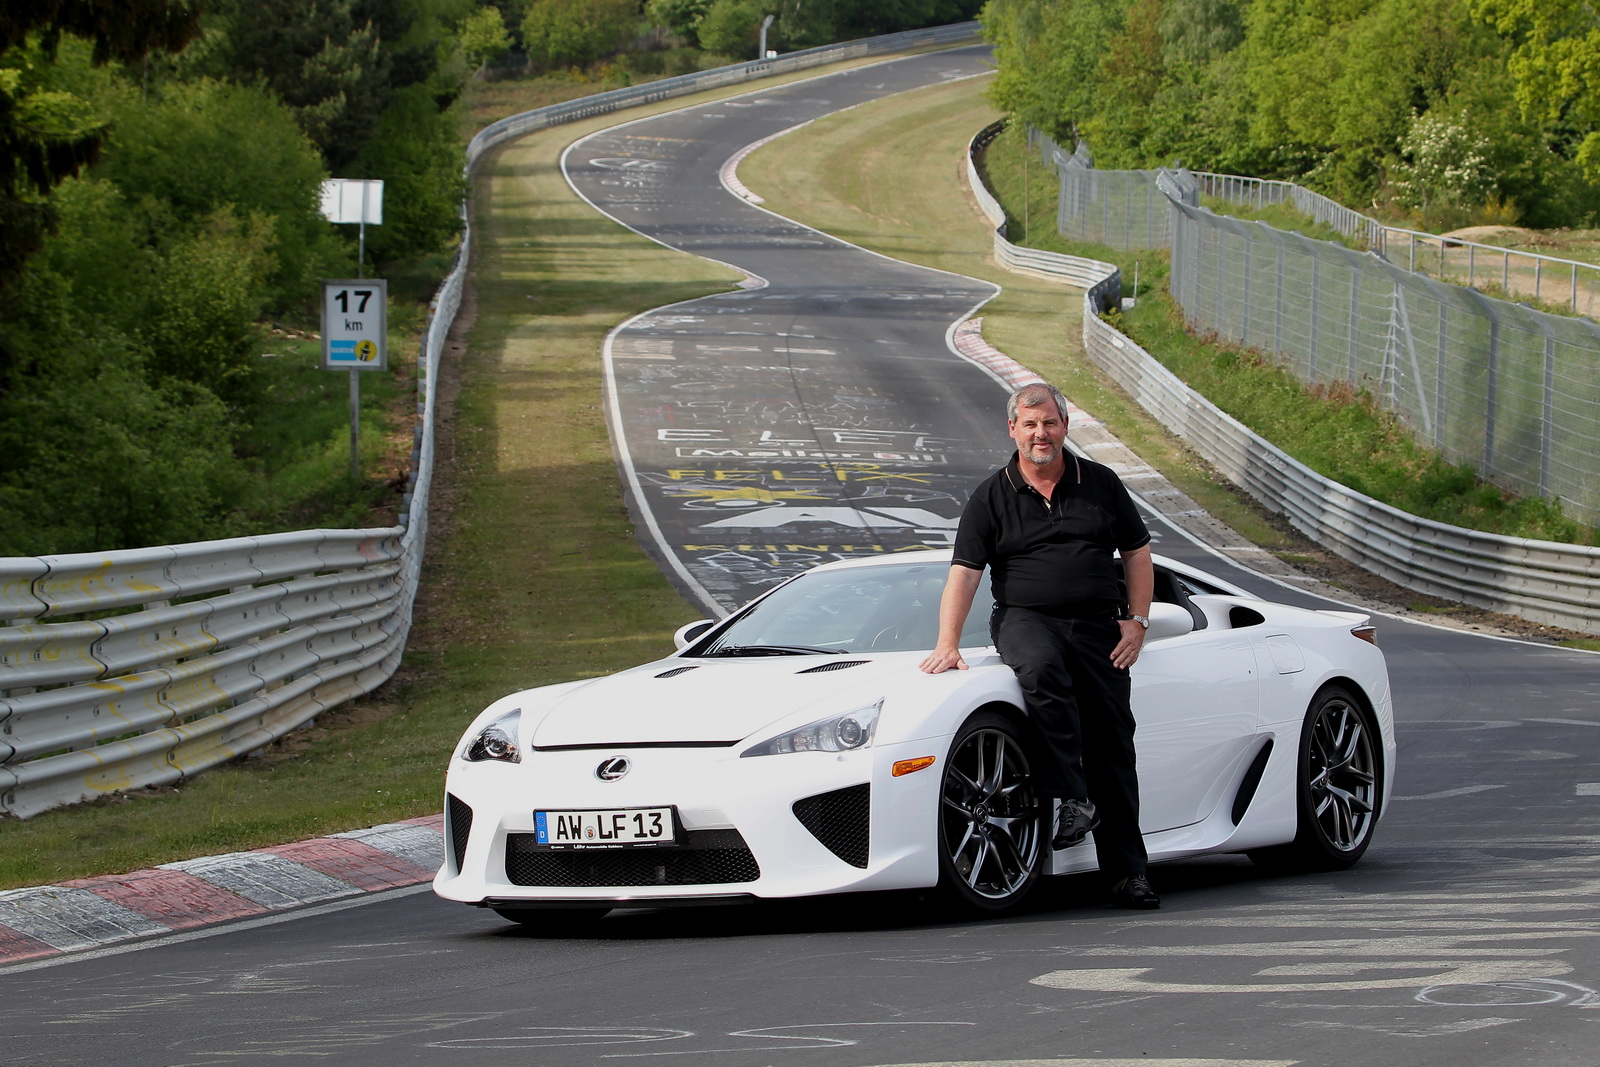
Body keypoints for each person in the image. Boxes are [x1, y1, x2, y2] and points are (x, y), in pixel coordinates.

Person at [919, 382, 1160, 910]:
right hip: (1025, 619)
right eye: (1029, 424)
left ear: (1065, 426)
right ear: (1013, 429)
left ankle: (1129, 875)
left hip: (1099, 626)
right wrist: (948, 642)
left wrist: (1137, 621)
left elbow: (1138, 554)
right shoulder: (990, 495)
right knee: (1042, 669)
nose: (1040, 433)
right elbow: (965, 573)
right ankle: (1072, 797)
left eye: (1049, 423)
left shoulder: (1101, 482)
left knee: (1113, 745)